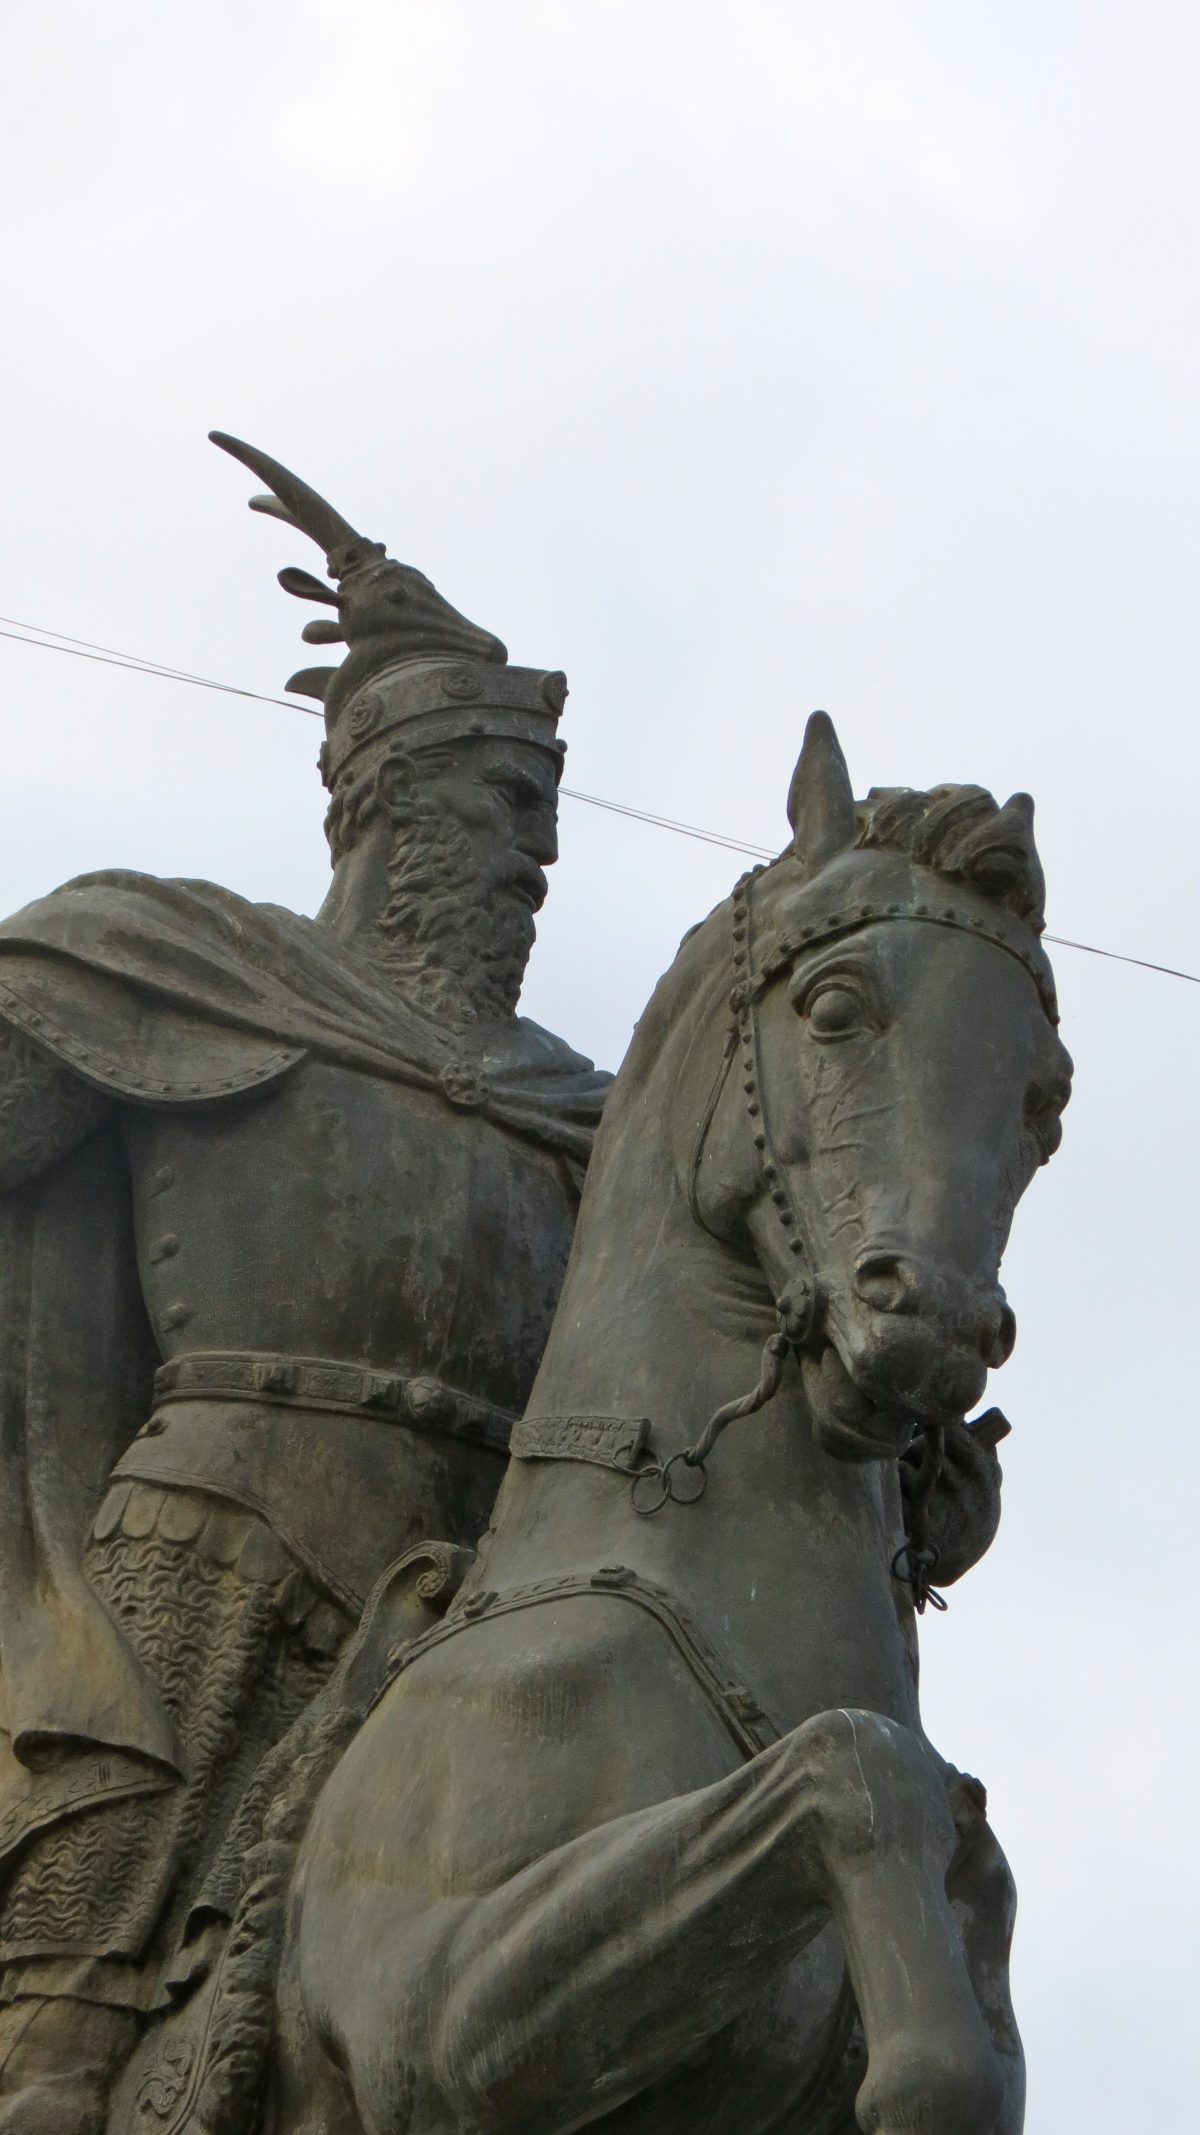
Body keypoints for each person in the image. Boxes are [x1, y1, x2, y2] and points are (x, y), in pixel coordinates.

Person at [0, 434, 610, 2132]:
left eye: (546, 817)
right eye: (498, 807)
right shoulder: (183, 970)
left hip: (498, 1600)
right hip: (217, 1548)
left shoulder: (592, 1117)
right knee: (71, 1967)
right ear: (385, 804)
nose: (530, 855)